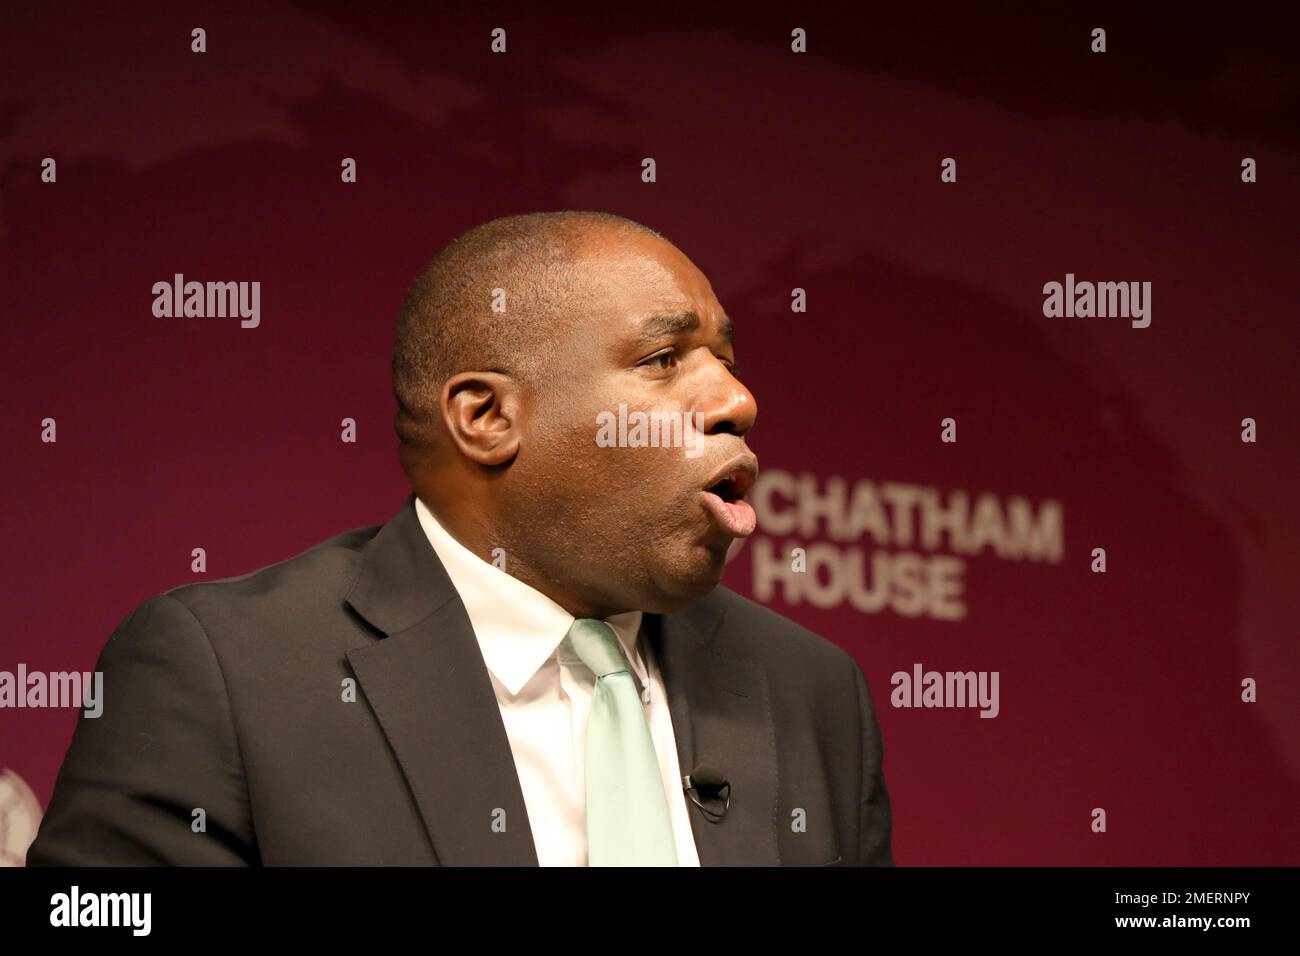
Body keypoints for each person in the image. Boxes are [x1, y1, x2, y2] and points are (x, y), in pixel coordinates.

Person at [28, 211, 893, 866]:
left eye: (728, 361)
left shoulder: (812, 692)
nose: (736, 400)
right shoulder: (227, 670)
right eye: (665, 360)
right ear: (486, 418)